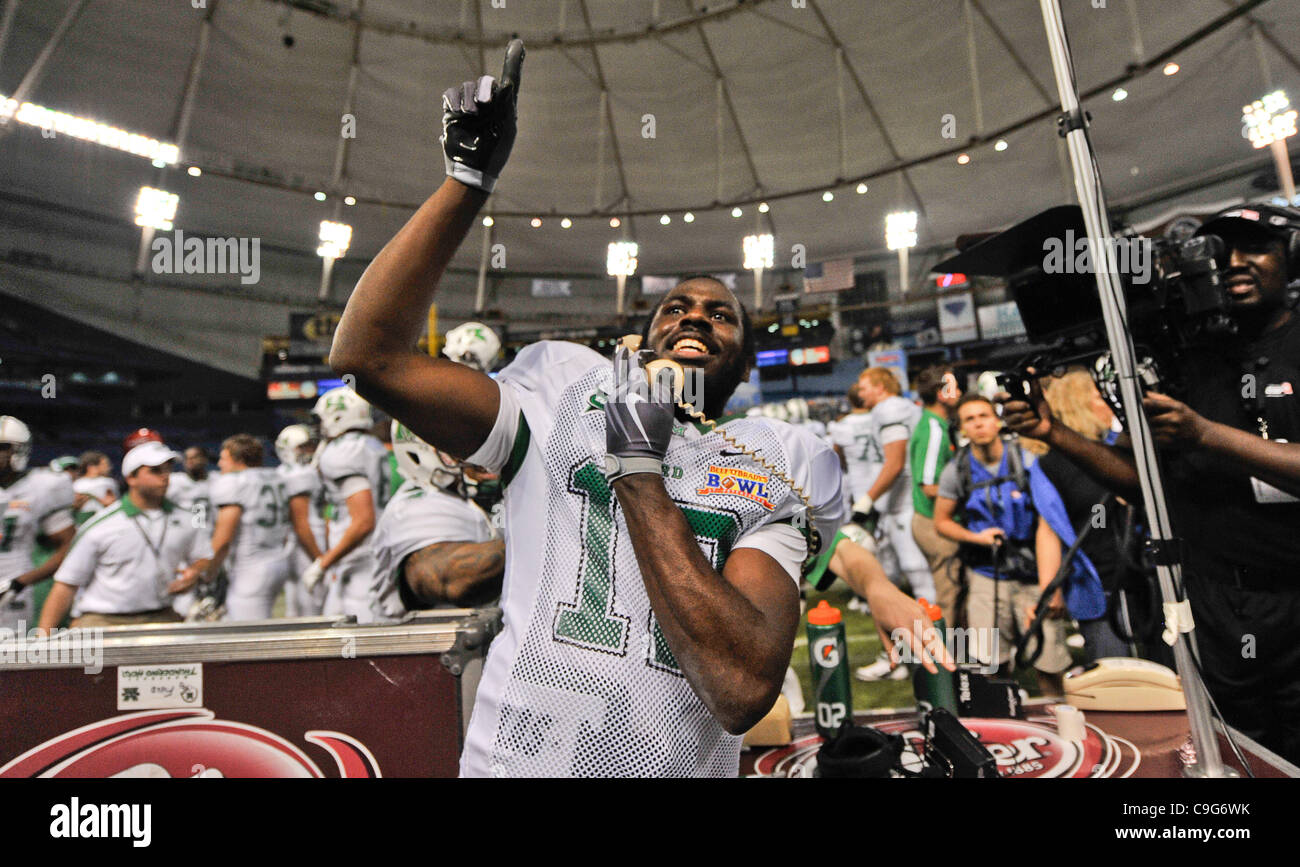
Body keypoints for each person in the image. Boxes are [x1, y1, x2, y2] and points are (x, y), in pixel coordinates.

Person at [328, 40, 938, 777]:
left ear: (742, 365)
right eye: (676, 308)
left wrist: (639, 470)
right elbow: (370, 356)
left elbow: (741, 686)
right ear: (640, 338)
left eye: (721, 316)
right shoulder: (562, 392)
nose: (695, 318)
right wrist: (465, 184)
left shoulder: (774, 453)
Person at [1000, 202, 1300, 762]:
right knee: (1240, 756)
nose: (1233, 262)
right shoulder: (1193, 358)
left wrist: (1207, 434)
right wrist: (1054, 432)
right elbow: (1146, 486)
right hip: (1217, 604)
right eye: (1219, 251)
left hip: (1294, 592)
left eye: (1254, 248)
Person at [932, 394, 1104, 696]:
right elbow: (941, 521)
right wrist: (977, 537)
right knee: (991, 662)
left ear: (997, 421)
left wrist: (1052, 584)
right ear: (962, 429)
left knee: (1049, 660)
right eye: (970, 419)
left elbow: (1048, 519)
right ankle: (1003, 722)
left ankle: (1057, 714)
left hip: (1034, 571)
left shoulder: (1026, 459)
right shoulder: (956, 469)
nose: (979, 424)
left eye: (984, 416)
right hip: (987, 573)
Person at [40, 441, 212, 630]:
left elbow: (204, 556)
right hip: (103, 618)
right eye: (155, 470)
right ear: (131, 477)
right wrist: (43, 637)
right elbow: (66, 583)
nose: (165, 477)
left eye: (168, 469)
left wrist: (194, 572)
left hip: (160, 613)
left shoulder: (187, 519)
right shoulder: (102, 525)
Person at [1037, 370, 1138, 661]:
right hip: (1096, 585)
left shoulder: (1124, 447)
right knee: (1116, 678)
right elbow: (1048, 528)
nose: (1108, 403)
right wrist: (1050, 588)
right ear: (1079, 404)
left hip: (1145, 581)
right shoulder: (1049, 465)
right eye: (1098, 396)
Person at [371, 422, 504, 620]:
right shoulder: (417, 506)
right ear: (425, 452)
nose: (487, 458)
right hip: (425, 647)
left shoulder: (473, 498)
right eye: (471, 447)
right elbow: (448, 580)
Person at [302, 385, 389, 621]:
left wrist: (323, 563)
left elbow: (363, 521)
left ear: (339, 416)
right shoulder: (371, 445)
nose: (318, 426)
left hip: (359, 564)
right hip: (367, 559)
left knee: (357, 644)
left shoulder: (344, 451)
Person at [0, 416, 76, 631]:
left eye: (1, 448)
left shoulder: (41, 486)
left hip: (15, 586)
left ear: (18, 451)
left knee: (12, 656)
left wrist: (22, 581)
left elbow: (68, 545)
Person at [206, 435, 290, 620]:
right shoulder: (275, 477)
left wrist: (207, 575)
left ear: (239, 459)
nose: (220, 464)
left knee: (250, 637)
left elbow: (224, 540)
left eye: (224, 458)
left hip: (251, 568)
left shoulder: (235, 482)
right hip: (278, 559)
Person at [907, 365, 963, 624]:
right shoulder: (934, 429)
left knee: (956, 594)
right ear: (942, 393)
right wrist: (967, 495)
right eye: (954, 386)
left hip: (934, 521)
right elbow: (929, 485)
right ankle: (947, 658)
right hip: (934, 523)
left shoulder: (936, 424)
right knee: (949, 598)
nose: (960, 391)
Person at [275, 423, 327, 617]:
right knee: (313, 605)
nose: (311, 450)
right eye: (305, 446)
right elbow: (301, 523)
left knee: (294, 606)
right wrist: (320, 559)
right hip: (306, 544)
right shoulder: (301, 474)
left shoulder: (281, 472)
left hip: (291, 544)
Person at [72, 451, 117, 524]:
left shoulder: (75, 485)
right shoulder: (107, 482)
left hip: (80, 525)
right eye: (104, 464)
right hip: (104, 523)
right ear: (91, 467)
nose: (109, 468)